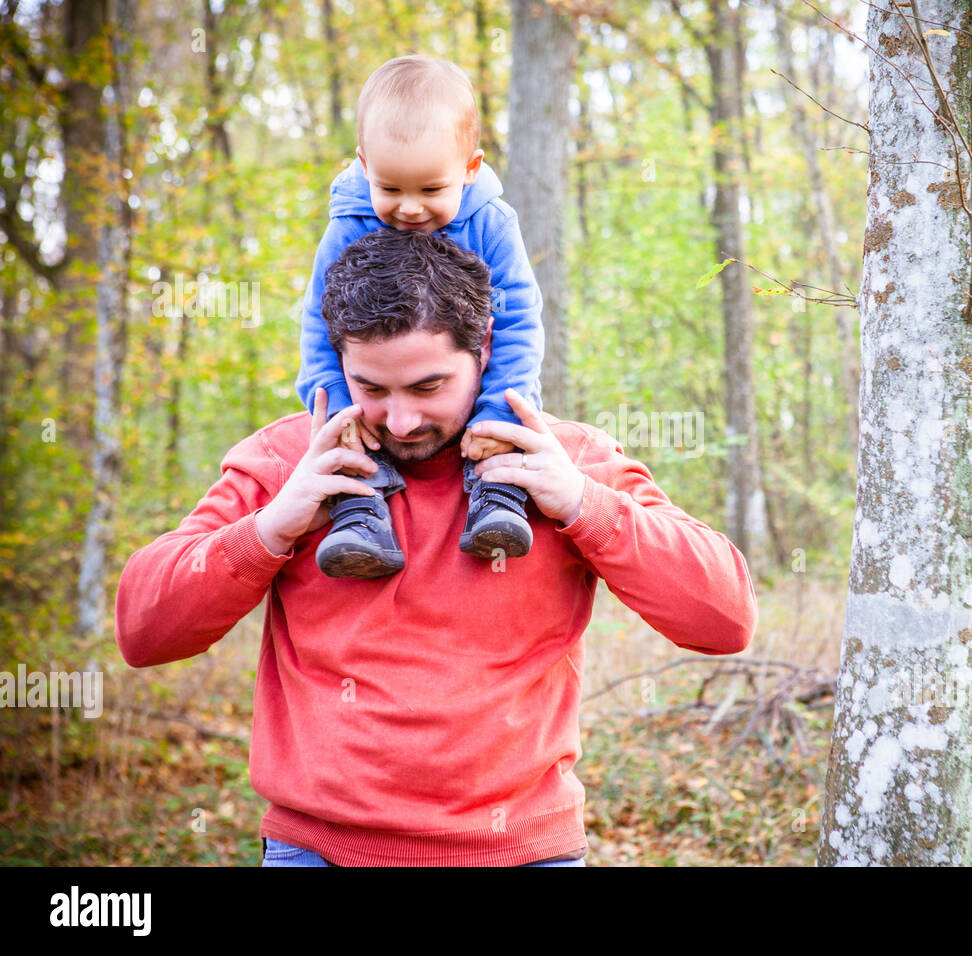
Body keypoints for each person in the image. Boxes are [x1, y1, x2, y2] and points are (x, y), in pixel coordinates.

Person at [115, 229, 757, 867]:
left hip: (526, 852)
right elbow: (145, 632)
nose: (399, 421)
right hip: (319, 852)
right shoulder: (291, 458)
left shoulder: (561, 457)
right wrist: (271, 528)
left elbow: (724, 619)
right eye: (370, 388)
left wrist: (585, 504)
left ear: (483, 349)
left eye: (427, 388)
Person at [296, 55, 543, 577]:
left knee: (505, 434)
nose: (409, 209)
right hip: (366, 412)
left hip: (481, 396)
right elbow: (319, 324)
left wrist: (498, 411)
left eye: (431, 190)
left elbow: (519, 321)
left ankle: (498, 498)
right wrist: (339, 409)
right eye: (389, 189)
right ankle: (359, 518)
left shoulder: (492, 225)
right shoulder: (347, 225)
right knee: (354, 445)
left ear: (470, 169)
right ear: (365, 167)